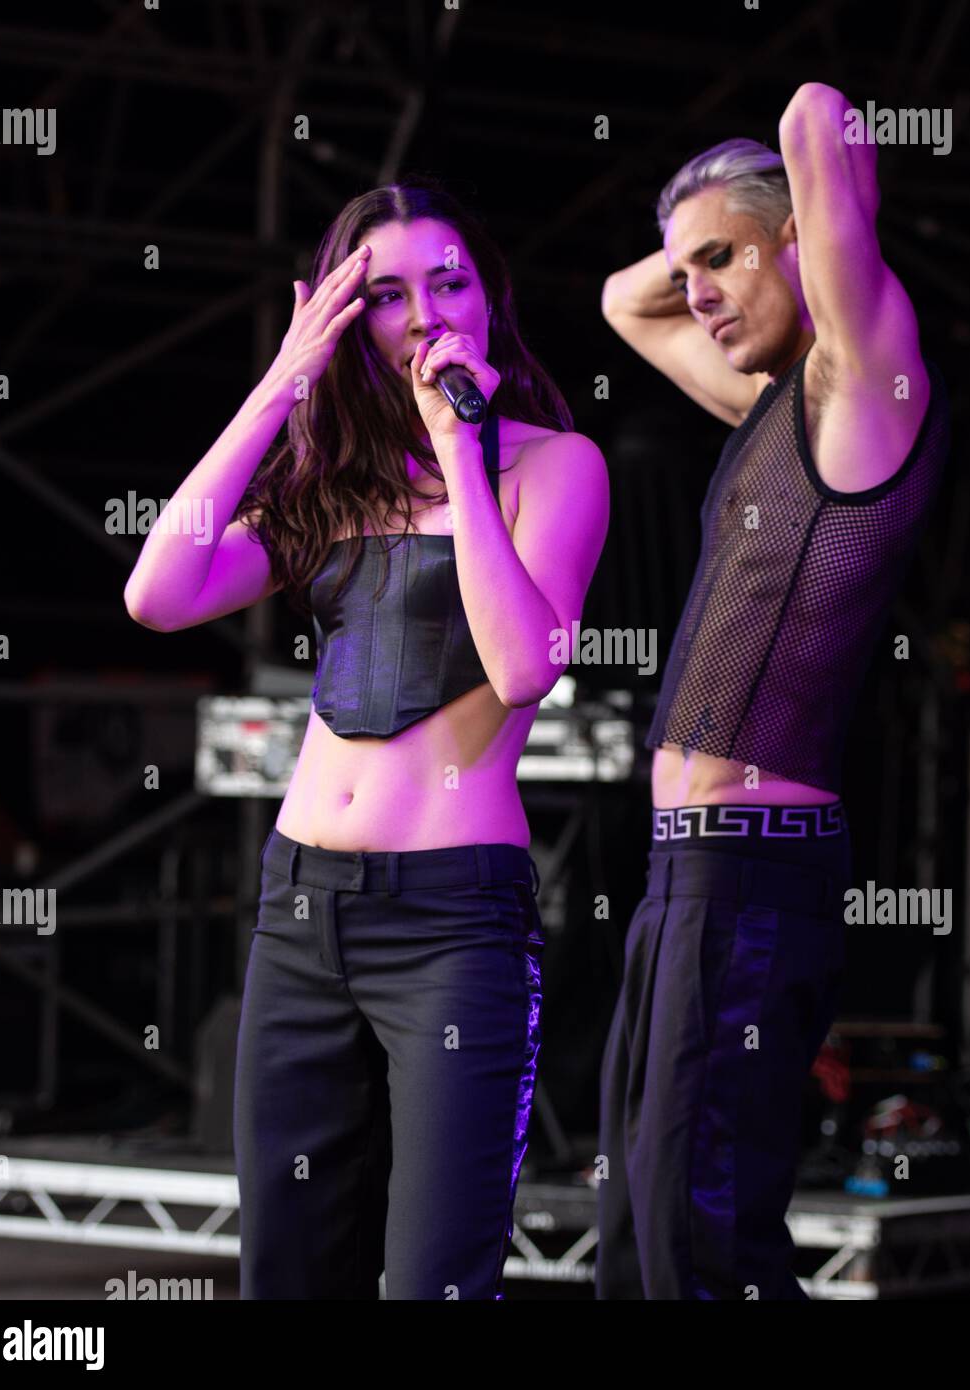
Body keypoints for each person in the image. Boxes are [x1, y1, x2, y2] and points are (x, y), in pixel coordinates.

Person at [124, 177, 609, 1299]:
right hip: (300, 915)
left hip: (451, 925)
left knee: (432, 1276)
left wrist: (463, 449)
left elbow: (525, 659)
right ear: (352, 321)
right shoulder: (330, 490)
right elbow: (160, 590)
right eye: (387, 294)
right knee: (286, 1272)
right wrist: (279, 385)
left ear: (488, 299)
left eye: (449, 281)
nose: (426, 312)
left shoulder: (553, 467)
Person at [595, 83, 950, 1299]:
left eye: (719, 261)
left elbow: (813, 114)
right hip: (681, 870)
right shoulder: (763, 403)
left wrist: (798, 223)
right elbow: (617, 301)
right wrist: (713, 242)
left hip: (752, 868)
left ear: (804, 240)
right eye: (684, 263)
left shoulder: (865, 387)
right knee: (637, 1231)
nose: (690, 288)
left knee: (704, 1238)